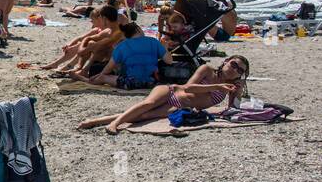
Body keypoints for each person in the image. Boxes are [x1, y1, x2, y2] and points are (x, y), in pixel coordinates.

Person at [78, 56, 249, 134]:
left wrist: (238, 93)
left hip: (178, 106)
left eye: (239, 70)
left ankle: (93, 122)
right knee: (146, 105)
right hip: (171, 91)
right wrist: (217, 86)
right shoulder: (207, 70)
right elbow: (188, 87)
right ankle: (114, 124)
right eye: (234, 64)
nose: (234, 69)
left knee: (142, 116)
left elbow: (232, 110)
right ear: (226, 61)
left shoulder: (230, 87)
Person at [73, 20, 170, 88]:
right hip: (152, 82)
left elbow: (108, 68)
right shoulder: (153, 41)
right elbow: (169, 61)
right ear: (139, 30)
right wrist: (165, 47)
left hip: (131, 83)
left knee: (105, 77)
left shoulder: (123, 45)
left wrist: (99, 75)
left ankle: (85, 80)